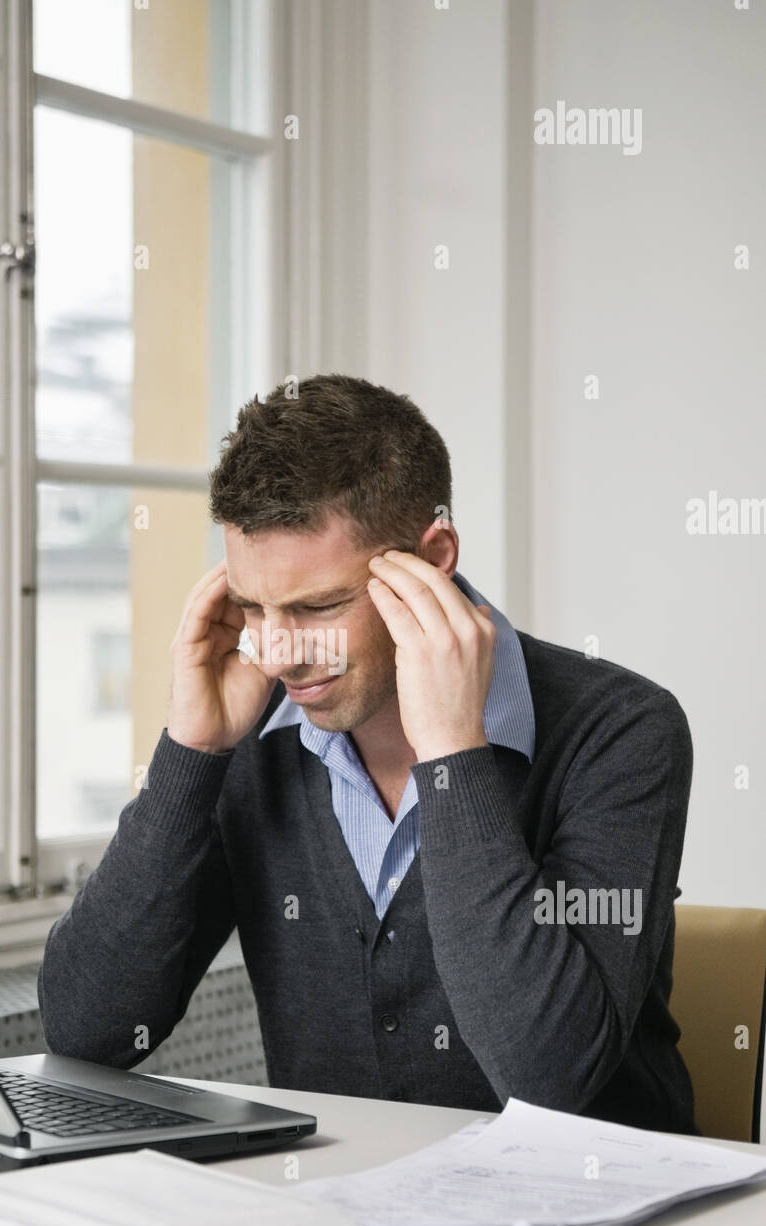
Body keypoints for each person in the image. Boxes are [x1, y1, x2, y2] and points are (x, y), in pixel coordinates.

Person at [37, 373, 697, 1135]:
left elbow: (548, 1074)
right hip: (344, 1223)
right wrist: (192, 755)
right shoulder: (253, 729)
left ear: (434, 558)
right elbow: (89, 1033)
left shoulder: (622, 730)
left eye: (318, 606)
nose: (280, 652)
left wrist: (452, 753)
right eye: (253, 606)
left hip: (598, 1224)